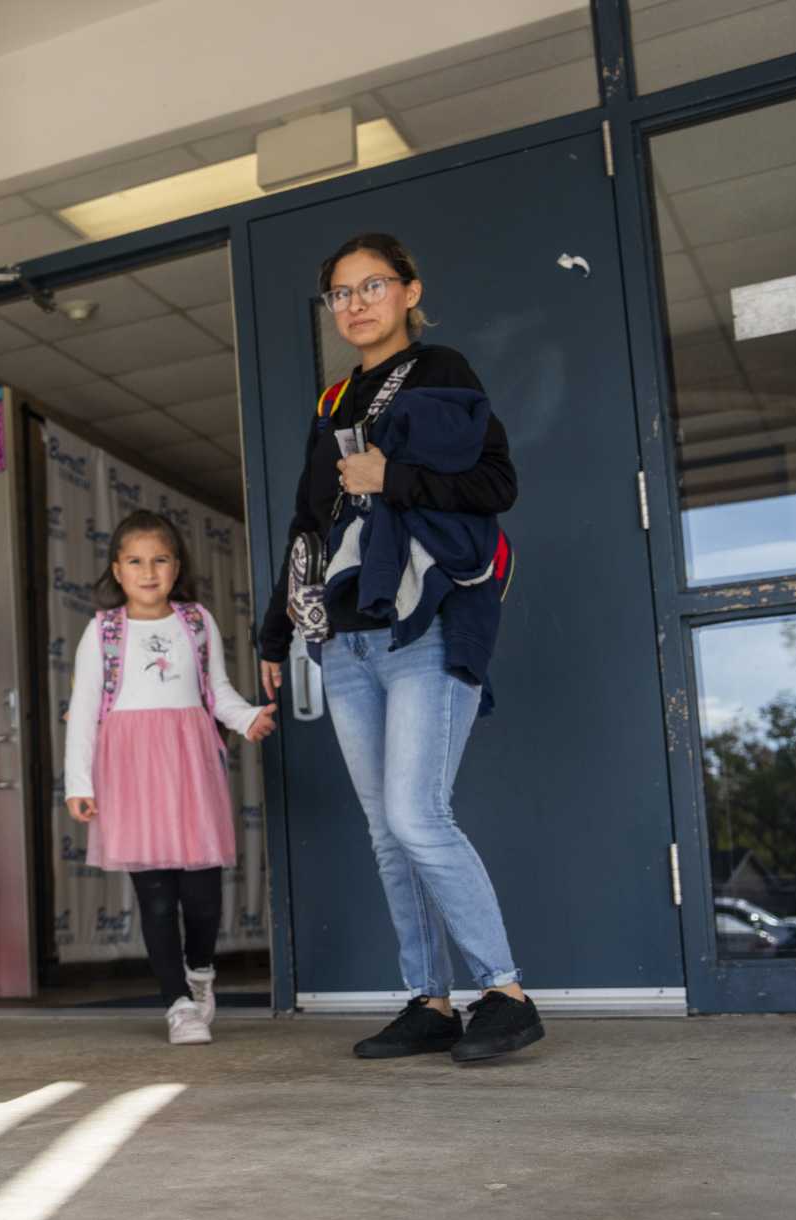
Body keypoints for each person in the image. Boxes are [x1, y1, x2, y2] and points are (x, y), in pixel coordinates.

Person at [257, 231, 544, 1063]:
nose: (355, 304)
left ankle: (506, 990)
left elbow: (498, 485)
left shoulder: (442, 370)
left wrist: (394, 479)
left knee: (419, 813)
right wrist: (277, 629)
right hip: (347, 640)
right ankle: (430, 1000)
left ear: (410, 291)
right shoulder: (330, 401)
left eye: (371, 286)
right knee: (387, 828)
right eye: (340, 293)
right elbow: (308, 526)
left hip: (428, 625)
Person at [65, 510, 275, 1045]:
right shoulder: (103, 630)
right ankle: (177, 1005)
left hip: (188, 765)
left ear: (176, 566)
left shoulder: (197, 621)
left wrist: (247, 717)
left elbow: (216, 691)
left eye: (160, 560)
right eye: (135, 561)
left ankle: (200, 971)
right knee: (156, 899)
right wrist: (78, 783)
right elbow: (85, 707)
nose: (148, 571)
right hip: (129, 772)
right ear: (117, 569)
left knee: (202, 896)